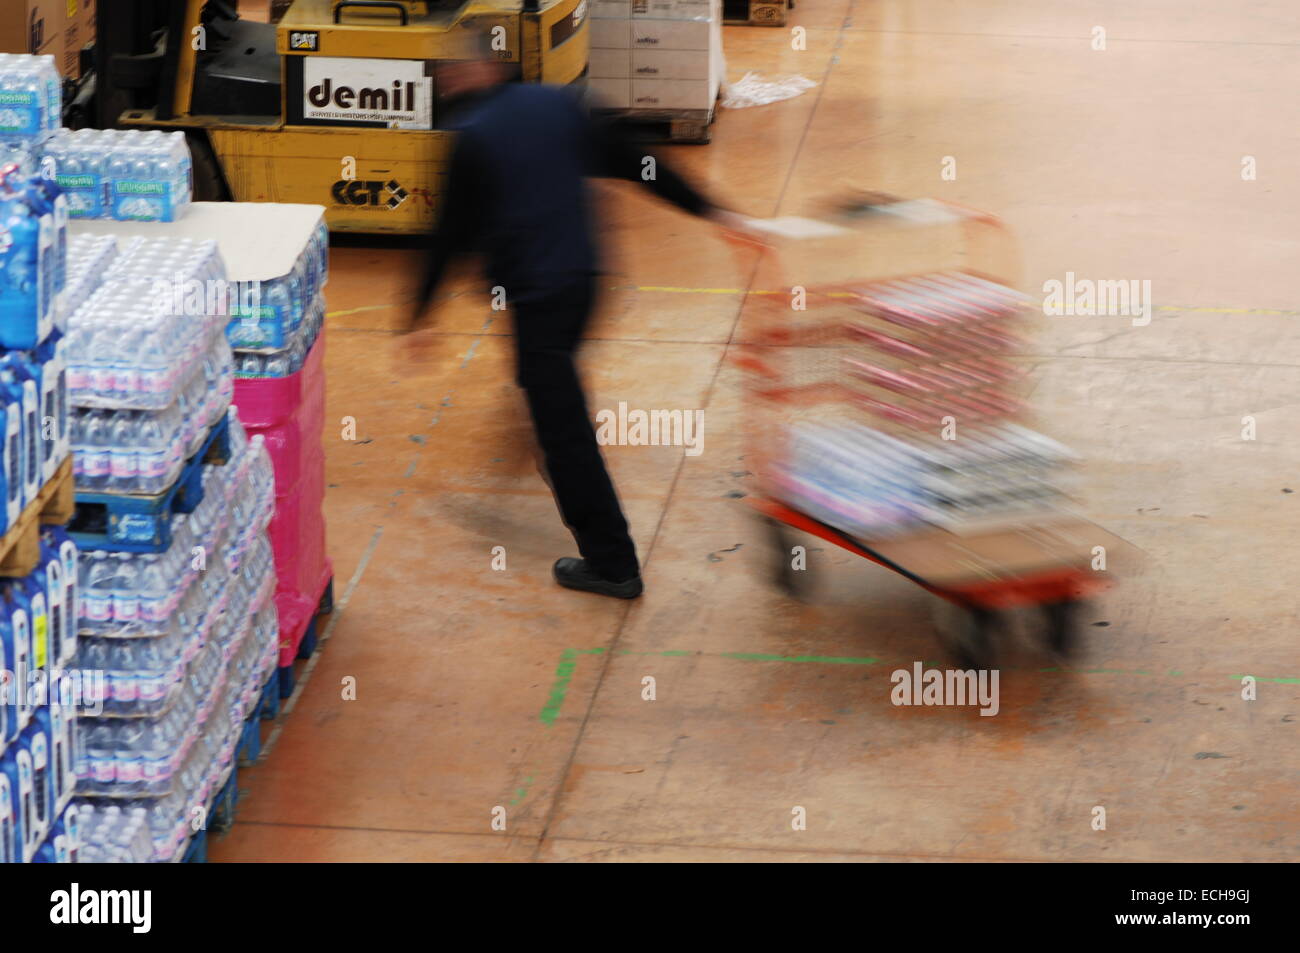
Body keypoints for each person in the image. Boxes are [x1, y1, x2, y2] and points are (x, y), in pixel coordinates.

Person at [409, 37, 749, 600]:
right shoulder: (557, 104)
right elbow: (641, 164)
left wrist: (419, 316)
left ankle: (613, 565)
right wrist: (715, 211)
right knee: (546, 384)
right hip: (585, 283)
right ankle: (537, 421)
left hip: (539, 297)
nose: (449, 84)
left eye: (452, 74)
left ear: (473, 74)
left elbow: (447, 235)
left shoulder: (470, 139)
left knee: (564, 433)